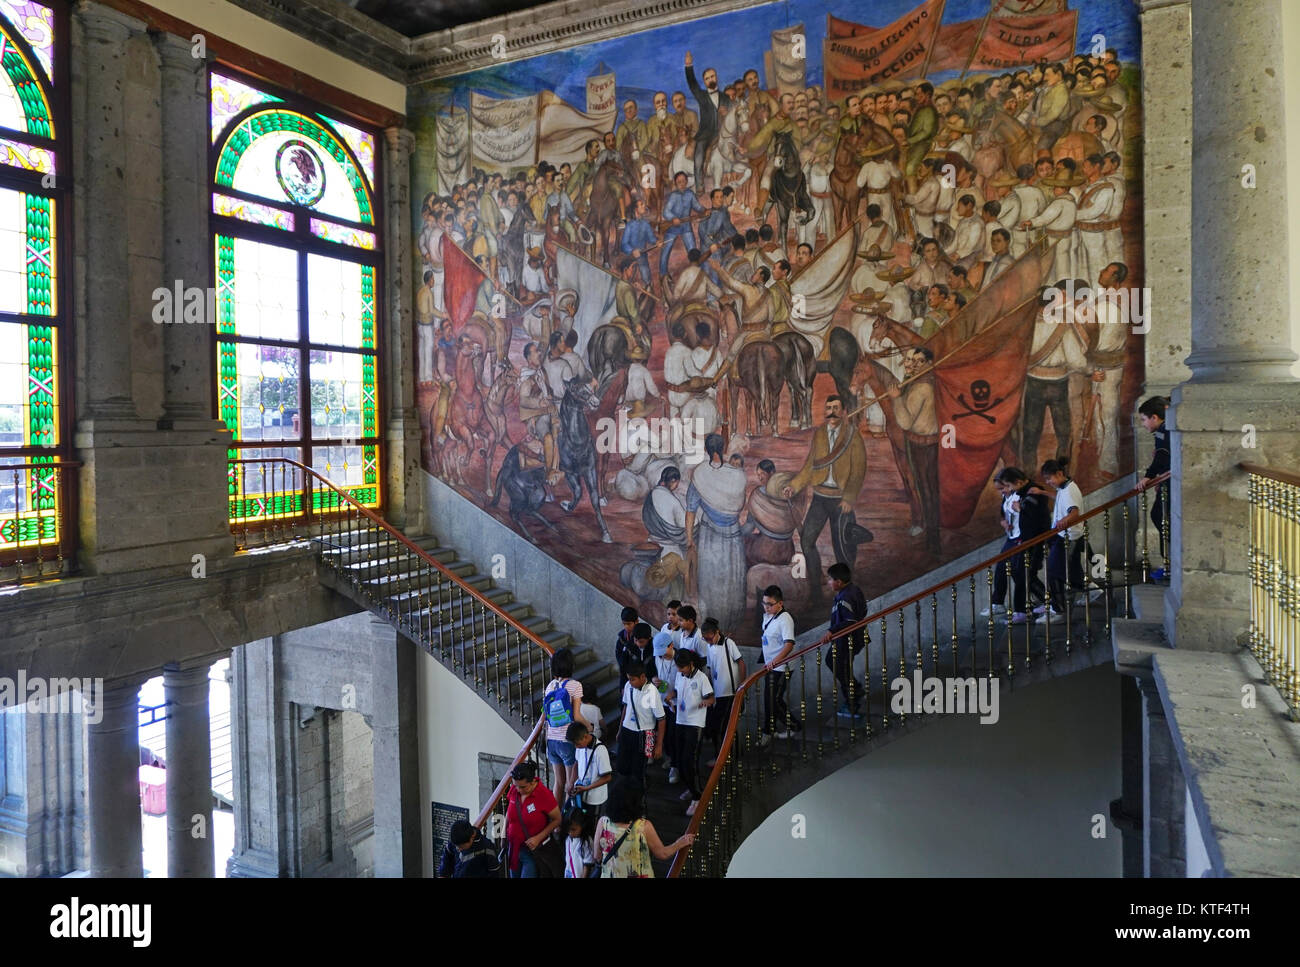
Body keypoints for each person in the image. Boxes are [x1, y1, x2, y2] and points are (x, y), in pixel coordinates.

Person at [783, 396, 871, 607]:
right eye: (828, 407)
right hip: (821, 497)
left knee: (843, 547)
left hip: (841, 500)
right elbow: (810, 466)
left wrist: (849, 497)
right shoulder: (820, 434)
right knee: (806, 541)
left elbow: (859, 470)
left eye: (835, 408)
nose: (831, 411)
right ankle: (815, 589)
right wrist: (794, 486)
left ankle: (847, 593)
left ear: (843, 411)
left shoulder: (853, 436)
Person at [594, 776, 694, 877]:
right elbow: (662, 854)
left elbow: (597, 856)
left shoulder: (603, 823)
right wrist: (680, 843)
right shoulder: (643, 826)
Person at [1038, 456, 1091, 623]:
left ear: (1059, 473)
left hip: (1067, 536)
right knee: (1071, 568)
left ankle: (1057, 609)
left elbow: (1074, 512)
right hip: (1064, 535)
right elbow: (1060, 498)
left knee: (1054, 571)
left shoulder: (1069, 490)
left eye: (1049, 478)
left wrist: (1063, 521)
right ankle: (1091, 589)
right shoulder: (1065, 487)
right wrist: (1043, 493)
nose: (1048, 482)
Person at [994, 467, 1050, 625]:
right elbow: (1005, 512)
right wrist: (1005, 521)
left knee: (1024, 575)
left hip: (1032, 539)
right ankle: (1025, 608)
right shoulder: (1019, 492)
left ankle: (1034, 607)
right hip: (1022, 538)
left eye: (1008, 487)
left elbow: (1036, 517)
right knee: (1019, 574)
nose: (1008, 491)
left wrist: (1020, 509)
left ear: (1018, 482)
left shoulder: (1033, 491)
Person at [665, 647, 714, 816]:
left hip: (695, 724)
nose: (680, 670)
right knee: (680, 759)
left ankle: (697, 797)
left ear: (691, 664)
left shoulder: (701, 678)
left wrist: (704, 703)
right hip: (680, 720)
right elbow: (678, 690)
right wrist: (671, 695)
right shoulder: (680, 675)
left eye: (682, 667)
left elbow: (711, 697)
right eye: (678, 667)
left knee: (690, 760)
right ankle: (691, 788)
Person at [817, 562, 868, 717]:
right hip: (847, 639)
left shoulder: (846, 595)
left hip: (847, 639)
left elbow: (850, 621)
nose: (828, 582)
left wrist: (831, 630)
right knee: (835, 664)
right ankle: (856, 691)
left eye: (830, 579)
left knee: (841, 668)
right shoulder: (851, 590)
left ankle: (852, 703)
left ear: (839, 582)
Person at [542, 648, 588, 809]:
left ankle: (555, 824)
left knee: (558, 783)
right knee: (570, 784)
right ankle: (568, 820)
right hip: (567, 741)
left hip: (551, 741)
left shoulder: (550, 686)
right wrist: (589, 726)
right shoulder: (575, 686)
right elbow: (576, 716)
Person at [503, 761, 562, 878]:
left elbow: (557, 819)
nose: (518, 790)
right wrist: (503, 834)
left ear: (533, 781)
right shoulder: (514, 790)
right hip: (513, 848)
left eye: (523, 787)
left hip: (531, 851)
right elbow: (509, 814)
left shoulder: (544, 795)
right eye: (516, 786)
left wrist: (538, 838)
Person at [758, 585, 800, 741]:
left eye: (770, 604)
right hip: (771, 665)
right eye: (764, 603)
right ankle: (769, 731)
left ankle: (794, 726)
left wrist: (775, 662)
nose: (766, 607)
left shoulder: (785, 619)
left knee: (774, 700)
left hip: (782, 667)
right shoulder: (767, 616)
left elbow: (789, 644)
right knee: (768, 700)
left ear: (780, 603)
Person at [701, 616, 745, 762]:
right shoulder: (709, 646)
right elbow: (709, 669)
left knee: (723, 727)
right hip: (717, 694)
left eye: (709, 638)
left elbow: (741, 663)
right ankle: (726, 756)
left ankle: (725, 757)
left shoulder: (728, 643)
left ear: (717, 632)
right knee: (719, 727)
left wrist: (742, 685)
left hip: (730, 693)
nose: (707, 641)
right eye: (705, 639)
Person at [1137, 396, 1171, 580]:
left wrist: (1149, 476)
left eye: (1143, 419)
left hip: (1169, 482)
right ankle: (1168, 564)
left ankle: (1170, 564)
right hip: (1166, 481)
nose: (1142, 424)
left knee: (1160, 516)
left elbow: (1161, 457)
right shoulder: (1164, 430)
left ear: (1155, 418)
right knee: (1160, 517)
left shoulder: (1163, 431)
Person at [616, 659, 665, 783]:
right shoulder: (628, 686)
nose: (630, 682)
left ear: (643, 677)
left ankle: (639, 797)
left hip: (643, 733)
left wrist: (659, 745)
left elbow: (661, 719)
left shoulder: (652, 692)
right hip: (627, 730)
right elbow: (626, 708)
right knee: (622, 766)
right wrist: (620, 729)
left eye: (633, 679)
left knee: (638, 770)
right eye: (628, 679)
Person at [651, 630, 680, 784]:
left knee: (674, 736)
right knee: (665, 733)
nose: (661, 655)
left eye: (664, 651)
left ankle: (675, 765)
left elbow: (685, 681)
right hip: (662, 702)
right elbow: (657, 675)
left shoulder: (679, 659)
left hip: (676, 704)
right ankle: (670, 758)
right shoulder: (657, 658)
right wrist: (655, 679)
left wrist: (674, 694)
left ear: (671, 645)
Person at [568, 721, 611, 818]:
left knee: (591, 825)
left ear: (586, 737)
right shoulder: (580, 746)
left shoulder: (600, 751)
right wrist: (571, 782)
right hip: (582, 794)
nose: (576, 747)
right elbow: (576, 763)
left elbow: (607, 777)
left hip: (595, 798)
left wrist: (587, 788)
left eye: (577, 744)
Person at [437, 819, 501, 878]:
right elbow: (447, 856)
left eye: (461, 847)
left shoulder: (487, 847)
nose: (458, 849)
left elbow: (494, 872)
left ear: (472, 837)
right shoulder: (456, 839)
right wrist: (443, 874)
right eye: (456, 846)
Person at [563, 807, 597, 879]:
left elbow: (587, 865)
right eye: (568, 830)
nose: (570, 833)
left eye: (573, 829)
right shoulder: (568, 839)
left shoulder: (586, 842)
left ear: (582, 825)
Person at [614, 606, 640, 690]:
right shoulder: (621, 639)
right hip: (625, 678)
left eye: (629, 624)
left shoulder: (642, 638)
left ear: (636, 622)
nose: (626, 627)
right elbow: (620, 661)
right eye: (624, 624)